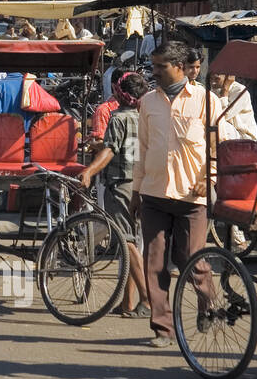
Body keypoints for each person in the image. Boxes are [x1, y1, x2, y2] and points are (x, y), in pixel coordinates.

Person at [134, 40, 217, 347]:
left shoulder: (206, 101)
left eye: (160, 67)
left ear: (179, 68)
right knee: (154, 263)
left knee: (192, 260)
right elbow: (141, 150)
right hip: (154, 193)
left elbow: (217, 148)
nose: (154, 72)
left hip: (192, 197)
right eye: (153, 66)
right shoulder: (148, 102)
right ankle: (163, 329)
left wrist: (210, 181)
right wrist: (135, 191)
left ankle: (208, 305)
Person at [78, 72, 151, 318]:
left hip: (121, 184)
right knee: (131, 242)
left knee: (127, 242)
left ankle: (147, 298)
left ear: (120, 94)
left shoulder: (118, 118)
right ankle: (127, 303)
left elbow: (110, 151)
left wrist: (89, 170)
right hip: (143, 183)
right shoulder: (146, 117)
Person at [210, 72, 257, 140]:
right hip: (228, 131)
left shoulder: (240, 91)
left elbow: (222, 116)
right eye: (211, 79)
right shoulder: (213, 90)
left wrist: (225, 91)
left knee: (220, 126)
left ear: (228, 77)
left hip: (243, 135)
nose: (213, 83)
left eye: (216, 79)